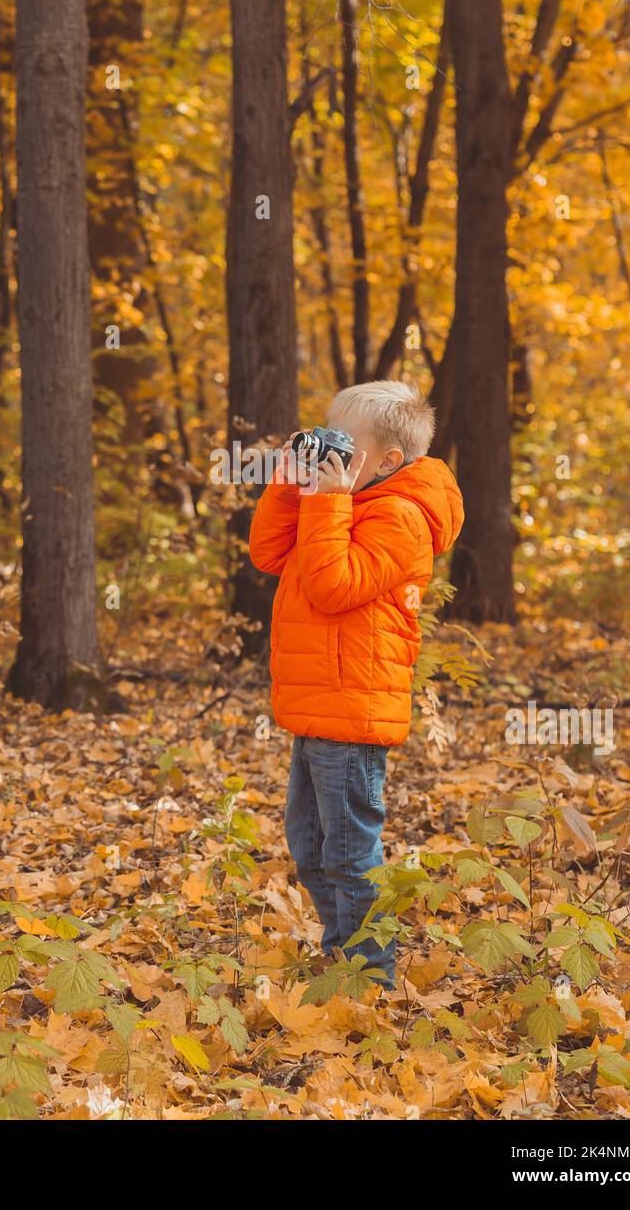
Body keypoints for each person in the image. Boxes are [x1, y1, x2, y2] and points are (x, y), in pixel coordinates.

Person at [249, 380, 464, 990]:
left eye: (347, 446)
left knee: (348, 851)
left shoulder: (401, 515)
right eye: (328, 438)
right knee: (310, 845)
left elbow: (333, 586)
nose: (333, 453)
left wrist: (327, 501)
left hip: (353, 705)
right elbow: (268, 553)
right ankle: (343, 955)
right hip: (318, 701)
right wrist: (295, 485)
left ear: (390, 461)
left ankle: (371, 979)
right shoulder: (345, 498)